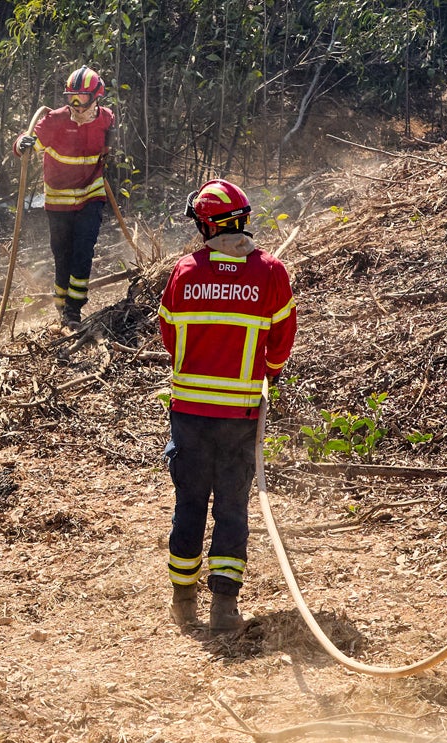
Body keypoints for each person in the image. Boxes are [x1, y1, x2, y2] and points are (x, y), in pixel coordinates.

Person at [158, 179, 296, 632]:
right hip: (240, 415)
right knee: (232, 508)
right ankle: (224, 611)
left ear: (205, 225)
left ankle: (182, 603)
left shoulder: (184, 272)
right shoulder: (271, 273)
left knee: (189, 503)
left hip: (190, 414)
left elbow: (169, 334)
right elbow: (281, 343)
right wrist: (265, 375)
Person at [14, 65, 115, 330]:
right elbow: (28, 143)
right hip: (58, 201)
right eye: (73, 102)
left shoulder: (106, 120)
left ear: (96, 99)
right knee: (63, 254)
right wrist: (21, 143)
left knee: (84, 251)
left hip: (91, 195)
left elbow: (107, 147)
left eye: (83, 103)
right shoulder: (55, 120)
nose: (77, 110)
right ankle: (60, 303)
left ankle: (73, 309)